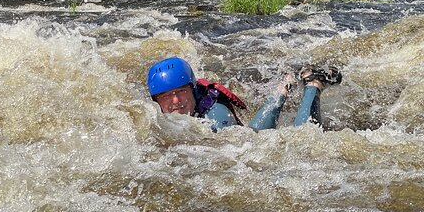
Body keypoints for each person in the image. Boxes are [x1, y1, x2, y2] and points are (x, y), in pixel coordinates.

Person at [146, 57, 342, 131]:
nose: (176, 101)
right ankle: (285, 85)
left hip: (248, 139)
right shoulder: (153, 114)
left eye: (181, 91)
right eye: (166, 96)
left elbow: (247, 144)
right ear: (156, 100)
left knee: (303, 136)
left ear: (192, 89)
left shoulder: (217, 119)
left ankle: (314, 85)